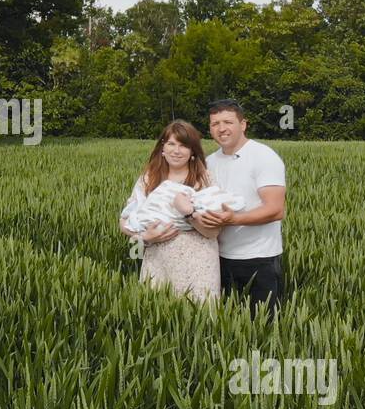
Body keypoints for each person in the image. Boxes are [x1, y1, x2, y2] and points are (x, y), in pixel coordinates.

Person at [196, 99, 287, 316]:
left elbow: (276, 209)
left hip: (258, 258)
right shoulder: (209, 162)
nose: (221, 128)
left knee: (263, 326)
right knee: (229, 325)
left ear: (243, 124)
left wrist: (233, 219)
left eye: (228, 122)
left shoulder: (263, 157)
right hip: (218, 257)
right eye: (215, 123)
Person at [119, 119, 221, 304]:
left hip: (198, 264)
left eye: (183, 145)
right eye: (171, 144)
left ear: (192, 152)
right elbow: (125, 221)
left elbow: (213, 231)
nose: (176, 150)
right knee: (160, 320)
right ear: (162, 148)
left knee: (201, 318)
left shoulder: (205, 180)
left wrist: (188, 213)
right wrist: (145, 237)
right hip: (158, 261)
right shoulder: (148, 179)